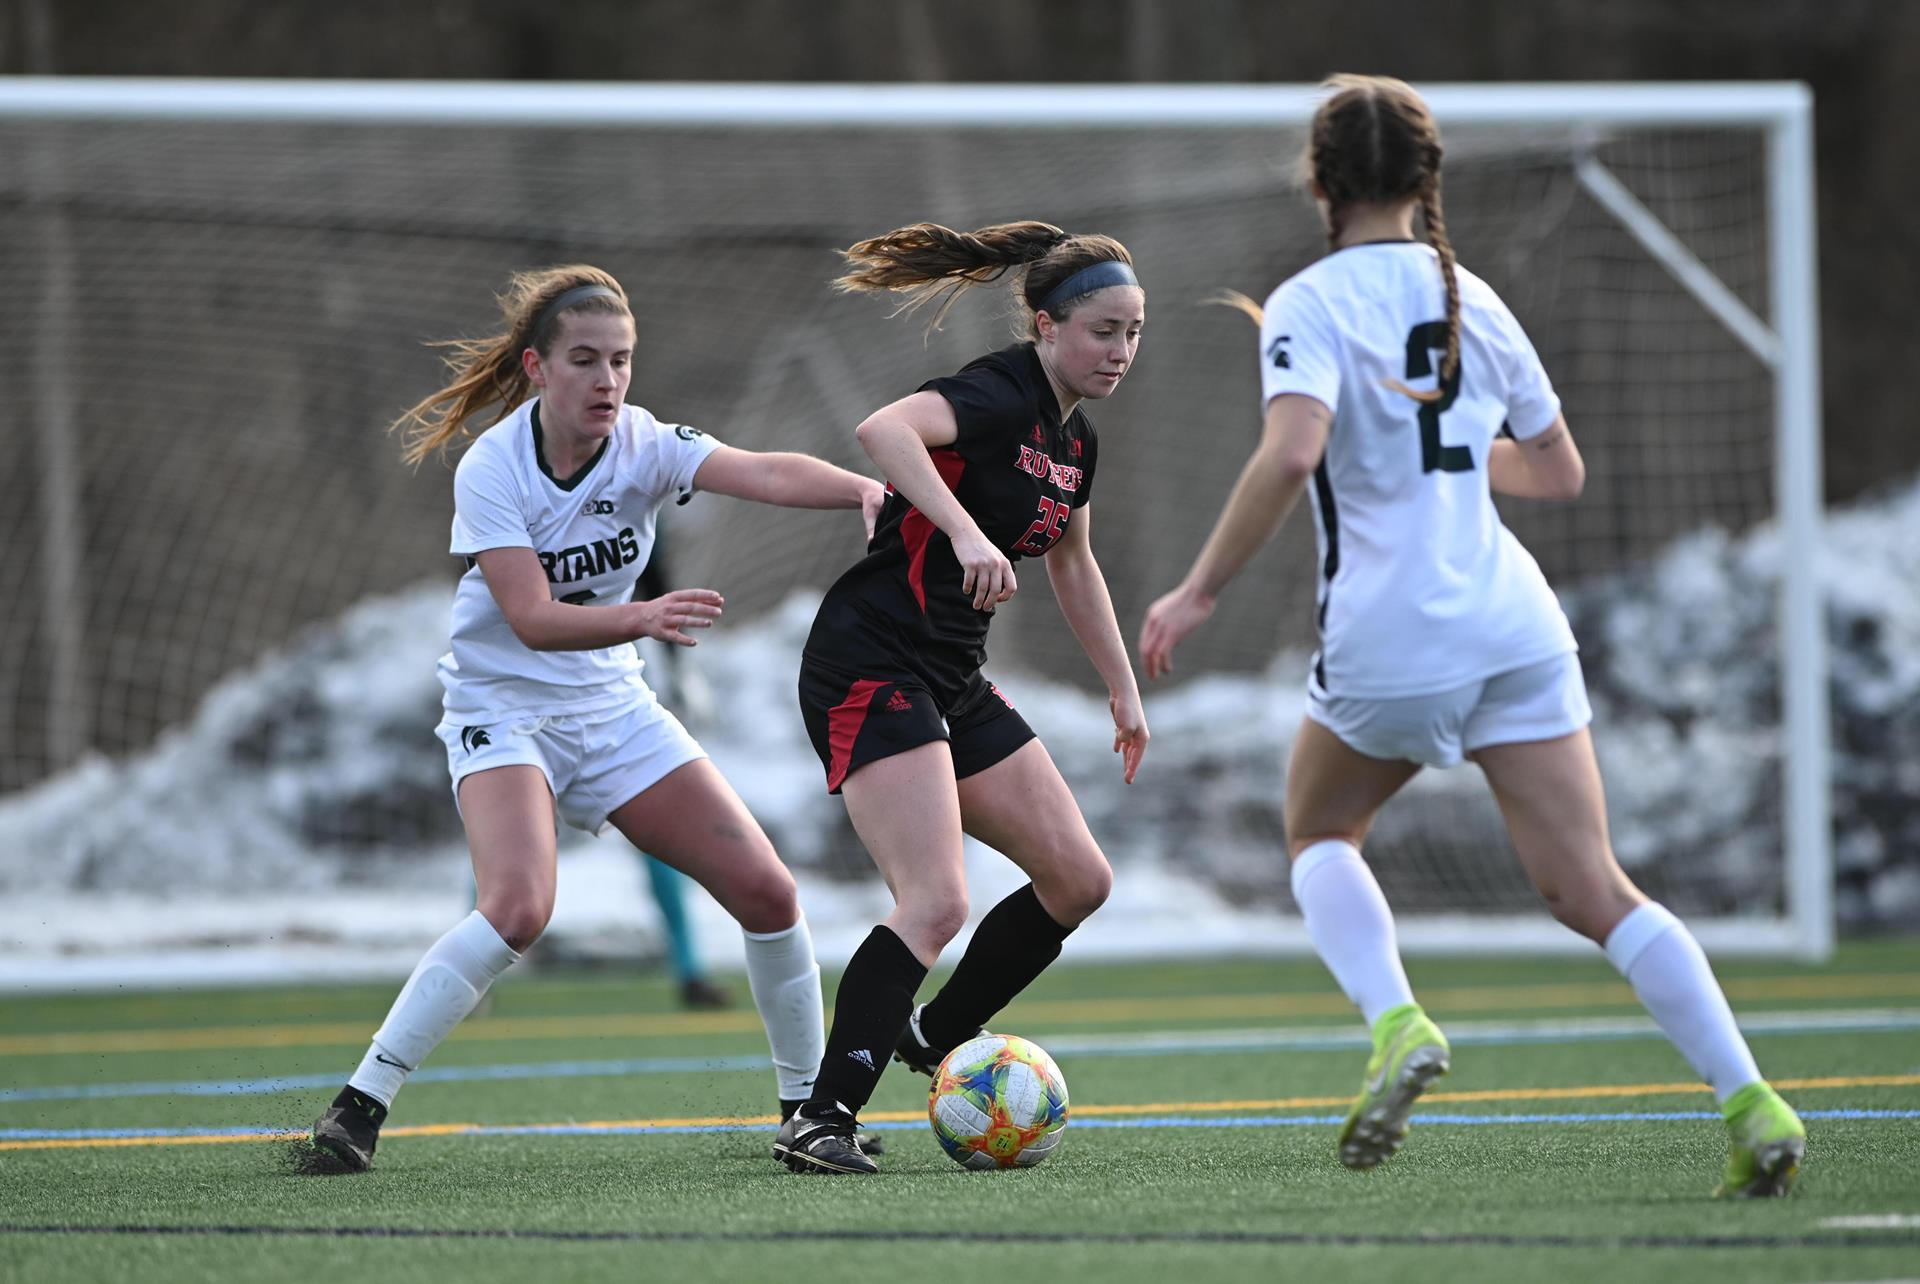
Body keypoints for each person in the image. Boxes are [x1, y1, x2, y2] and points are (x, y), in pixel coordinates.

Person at [1137, 75, 1805, 1198]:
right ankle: (1752, 1098)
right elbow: (1558, 470)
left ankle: (1397, 1023)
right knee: (1595, 886)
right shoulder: (1474, 299)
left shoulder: (1308, 300)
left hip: (1391, 633)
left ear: (1318, 179)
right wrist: (1429, 458)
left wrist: (1199, 589)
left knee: (1319, 834)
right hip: (1512, 623)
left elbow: (1294, 454)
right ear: (1426, 179)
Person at [306, 265, 886, 1172]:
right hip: (505, 708)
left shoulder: (645, 442)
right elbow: (533, 619)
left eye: (621, 361)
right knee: (517, 910)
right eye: (586, 360)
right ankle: (358, 1106)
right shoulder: (494, 466)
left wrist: (857, 488)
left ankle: (808, 1117)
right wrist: (642, 618)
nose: (608, 380)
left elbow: (760, 469)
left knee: (770, 894)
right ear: (537, 369)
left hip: (610, 708)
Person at [773, 221, 1150, 1174]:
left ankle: (930, 1041)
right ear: (1045, 325)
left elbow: (1076, 562)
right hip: (871, 658)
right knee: (936, 901)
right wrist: (967, 534)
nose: (1120, 351)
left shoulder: (1078, 440)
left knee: (1079, 881)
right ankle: (821, 1119)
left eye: (1134, 332)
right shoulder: (997, 389)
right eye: (1103, 330)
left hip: (950, 673)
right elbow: (882, 430)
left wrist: (1122, 687)